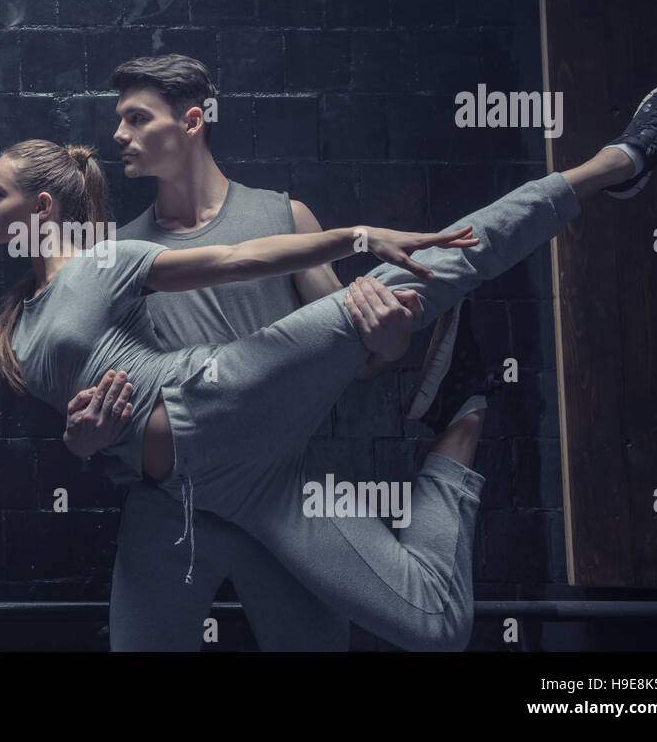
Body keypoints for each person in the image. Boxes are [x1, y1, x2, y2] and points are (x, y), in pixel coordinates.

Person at [0, 74, 657, 650]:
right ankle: (460, 424)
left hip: (229, 392)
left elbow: (241, 253)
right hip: (225, 487)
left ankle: (611, 164)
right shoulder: (9, 333)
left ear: (40, 207)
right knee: (438, 630)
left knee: (419, 271)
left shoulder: (108, 261)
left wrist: (352, 232)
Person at [61, 53, 494, 651]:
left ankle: (462, 419)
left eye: (136, 119)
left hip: (284, 489)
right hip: (171, 507)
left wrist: (389, 345)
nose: (118, 135)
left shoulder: (284, 219)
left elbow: (359, 360)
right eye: (120, 120)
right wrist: (88, 432)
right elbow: (110, 401)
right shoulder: (117, 257)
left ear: (191, 122)